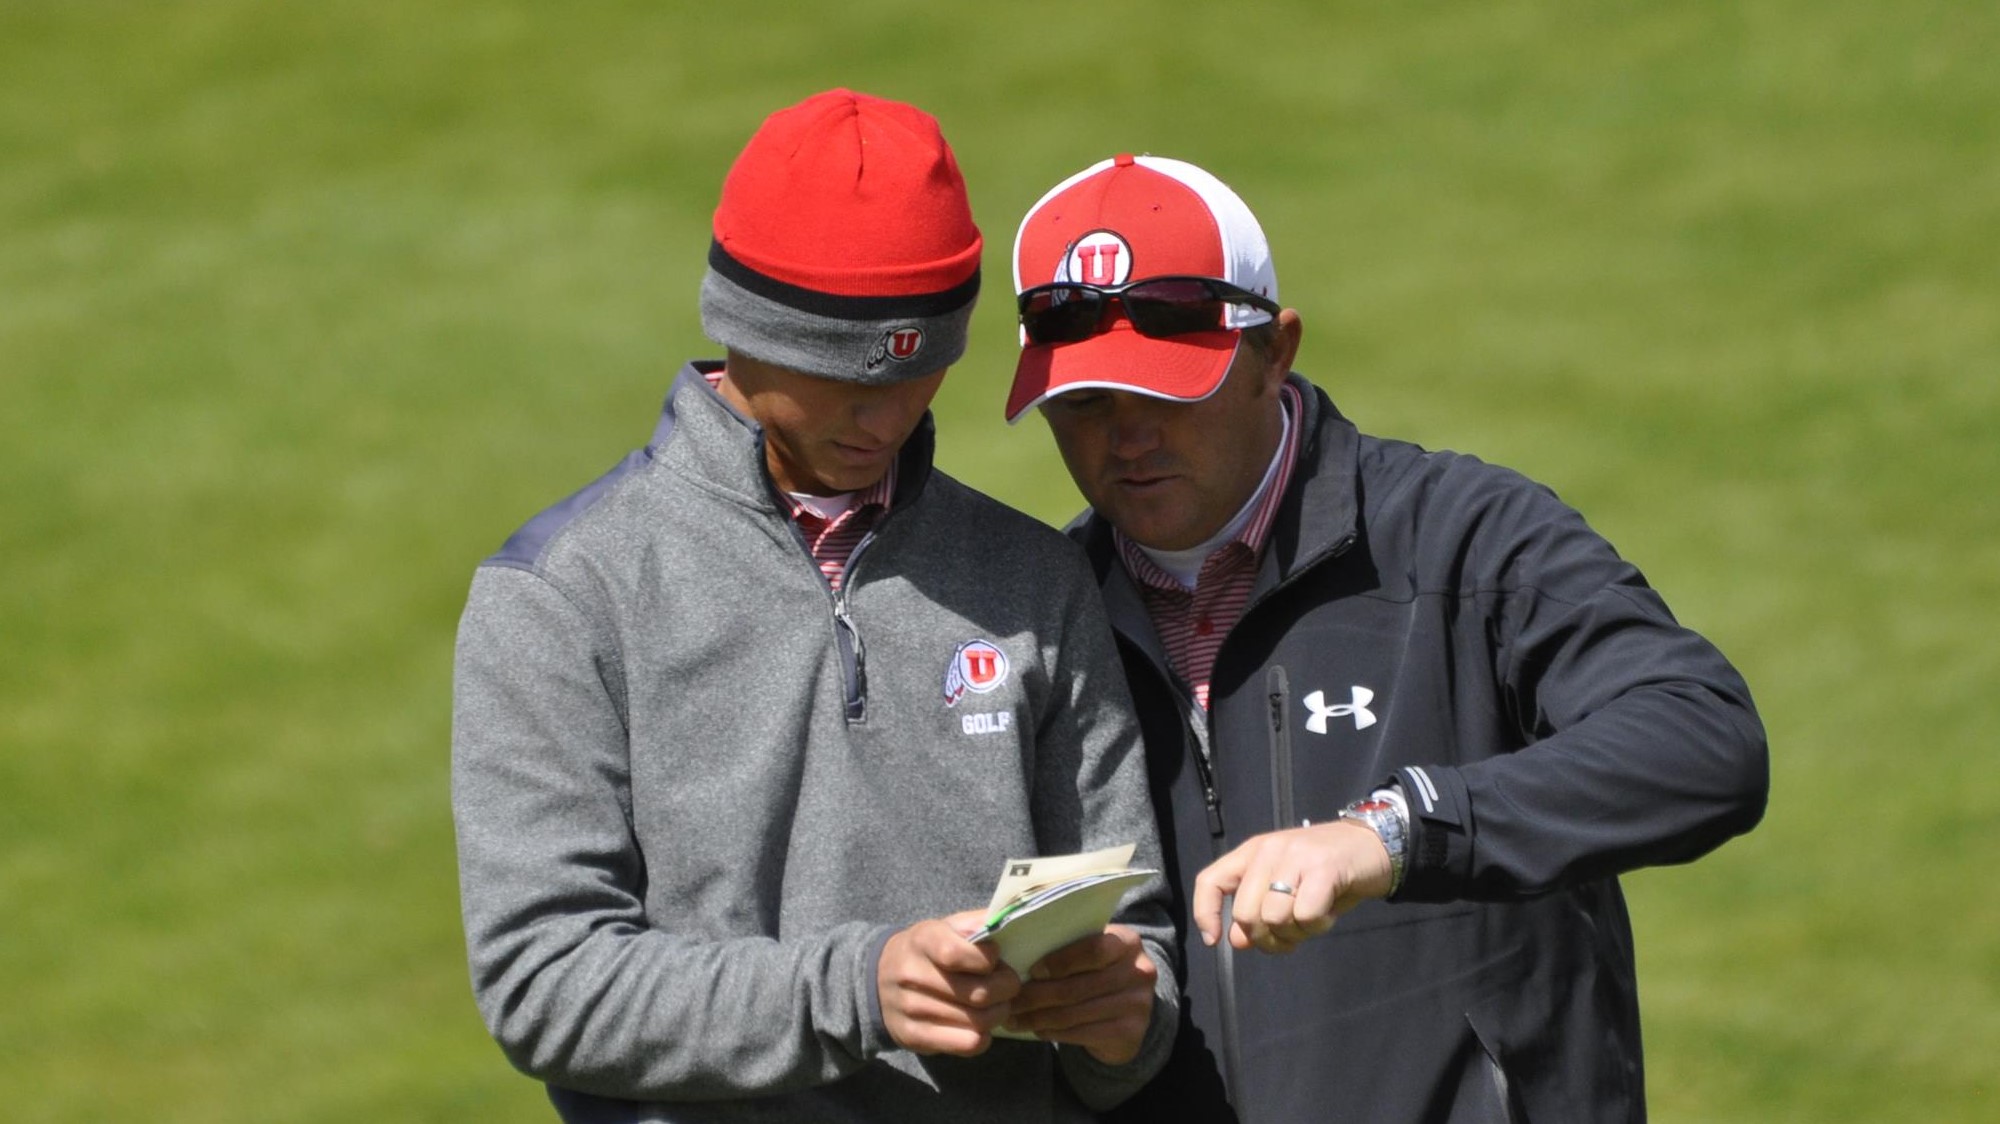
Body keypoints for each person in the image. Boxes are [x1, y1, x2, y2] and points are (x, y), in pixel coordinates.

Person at [450, 92, 1178, 1124]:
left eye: (921, 367)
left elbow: (1131, 944)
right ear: (741, 330)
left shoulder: (1033, 578)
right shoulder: (562, 595)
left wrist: (1119, 1014)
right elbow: (543, 982)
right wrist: (857, 988)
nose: (883, 413)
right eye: (840, 373)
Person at [1002, 153, 1769, 1122]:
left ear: (1273, 351)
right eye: (1083, 404)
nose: (1127, 438)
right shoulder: (1035, 626)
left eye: (1168, 391)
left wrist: (1395, 831)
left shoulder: (1459, 539)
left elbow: (1705, 741)